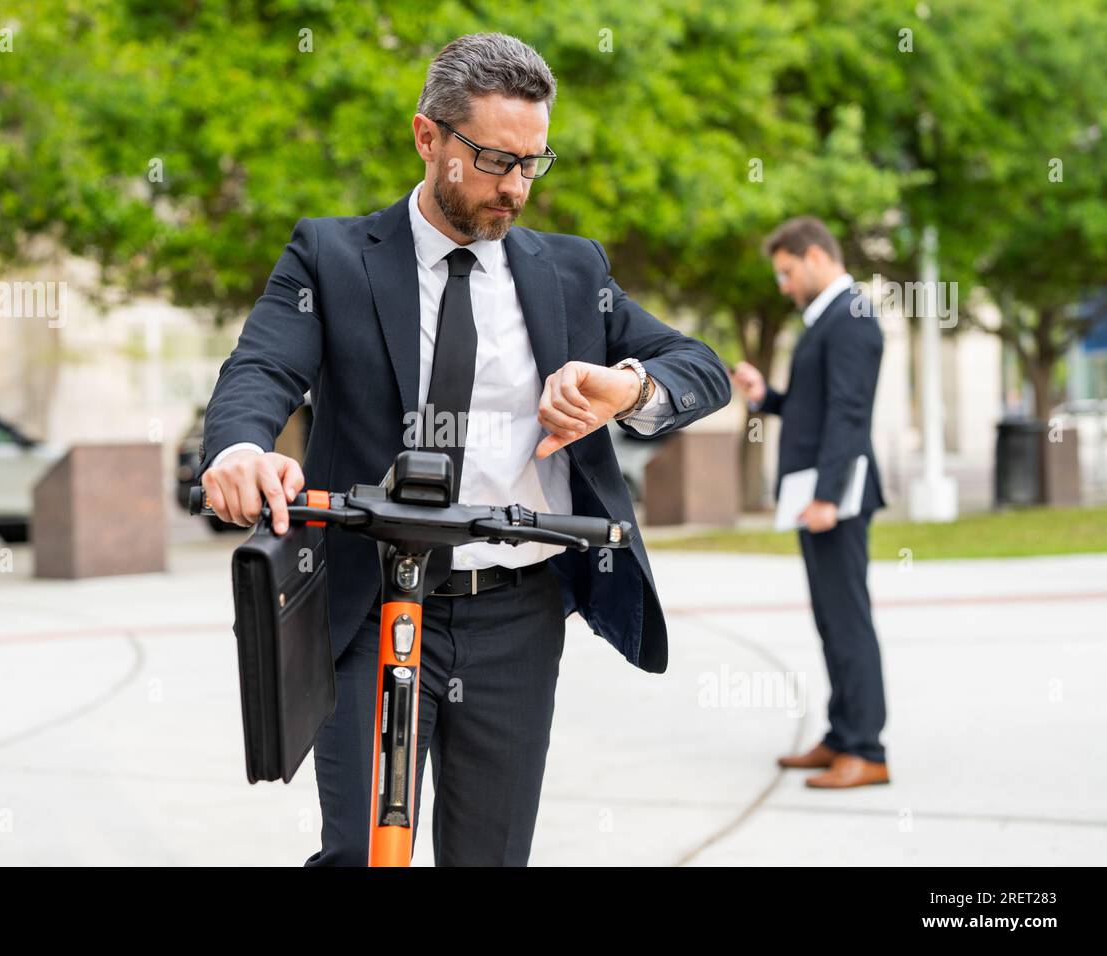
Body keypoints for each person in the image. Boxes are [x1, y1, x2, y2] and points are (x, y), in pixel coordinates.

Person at [198, 32, 730, 865]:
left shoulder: (569, 269)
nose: (514, 187)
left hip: (515, 614)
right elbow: (260, 369)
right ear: (427, 137)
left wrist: (627, 387)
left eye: (532, 163)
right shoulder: (331, 256)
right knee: (360, 855)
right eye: (492, 160)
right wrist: (237, 449)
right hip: (369, 601)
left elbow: (701, 368)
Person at [731, 216, 891, 789]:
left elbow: (849, 414)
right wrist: (767, 397)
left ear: (817, 257)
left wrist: (827, 497)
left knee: (847, 622)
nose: (783, 285)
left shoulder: (849, 319)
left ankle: (867, 749)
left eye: (787, 271)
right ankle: (843, 735)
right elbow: (816, 406)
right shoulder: (827, 320)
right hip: (822, 497)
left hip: (836, 500)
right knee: (832, 621)